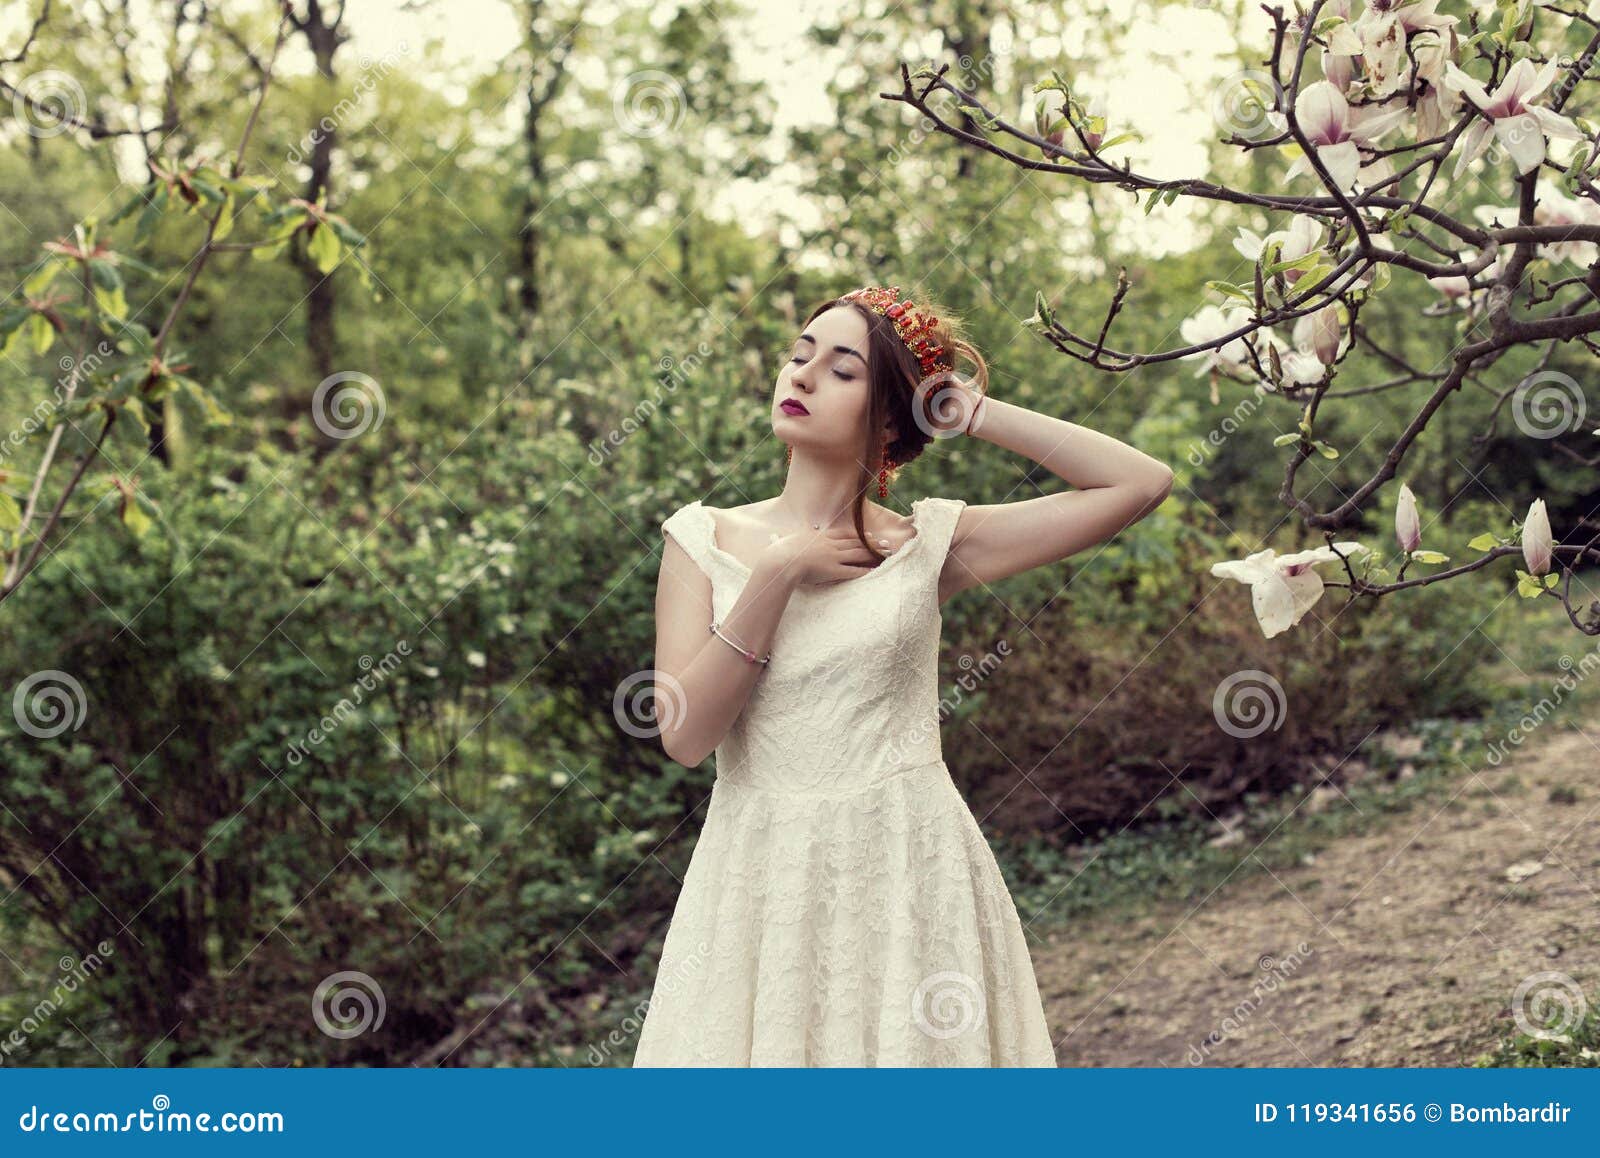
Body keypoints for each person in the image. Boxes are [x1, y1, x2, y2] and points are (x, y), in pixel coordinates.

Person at [635, 283, 1174, 1066]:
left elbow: (1139, 483)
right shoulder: (700, 539)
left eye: (842, 369)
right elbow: (685, 737)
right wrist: (778, 573)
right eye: (799, 355)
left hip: (908, 868)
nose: (803, 375)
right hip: (758, 875)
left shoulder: (926, 547)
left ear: (891, 416)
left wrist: (971, 411)